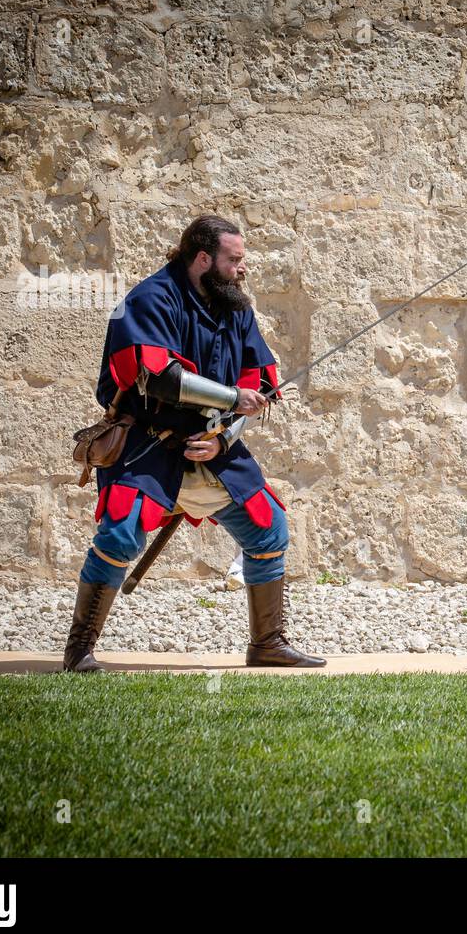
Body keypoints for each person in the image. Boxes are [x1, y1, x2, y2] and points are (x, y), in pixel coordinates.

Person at [63, 215, 325, 672]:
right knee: (121, 534)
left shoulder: (236, 308)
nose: (242, 269)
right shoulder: (149, 299)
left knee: (270, 531)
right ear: (203, 258)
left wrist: (224, 437)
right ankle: (79, 649)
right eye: (234, 259)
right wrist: (230, 399)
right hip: (148, 442)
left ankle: (266, 644)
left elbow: (256, 387)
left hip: (213, 447)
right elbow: (159, 377)